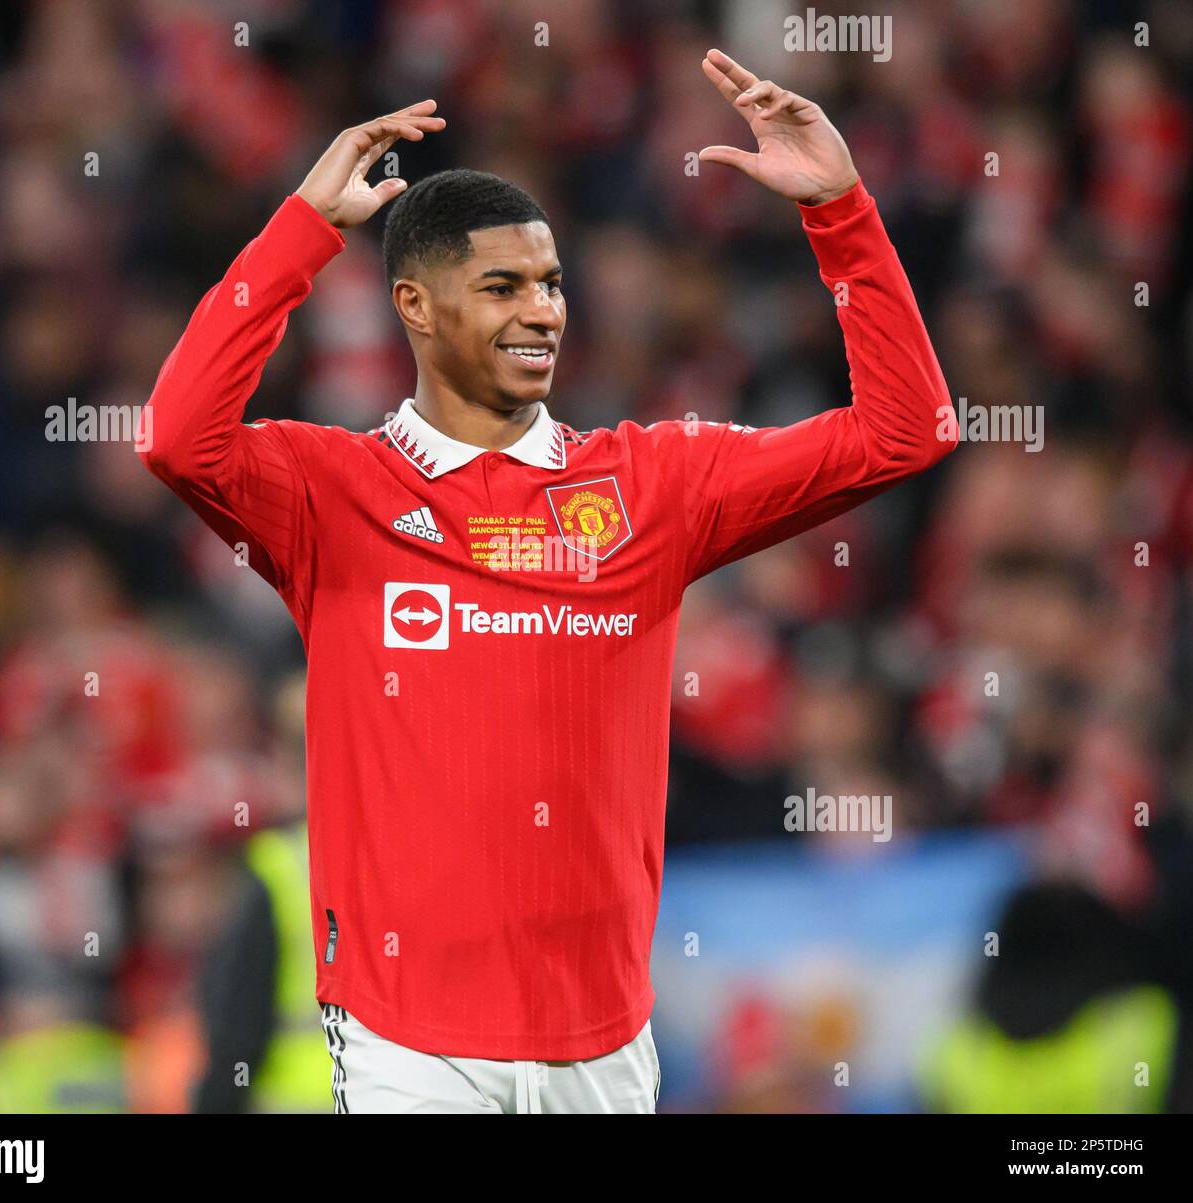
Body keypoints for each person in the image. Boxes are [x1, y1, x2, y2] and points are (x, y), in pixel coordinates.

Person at [137, 48, 957, 1113]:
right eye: (503, 286)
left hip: (604, 1047)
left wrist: (839, 211)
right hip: (405, 1049)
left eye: (552, 283)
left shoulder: (654, 486)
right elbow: (176, 437)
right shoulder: (331, 495)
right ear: (416, 308)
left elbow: (908, 433)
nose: (542, 312)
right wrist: (301, 231)